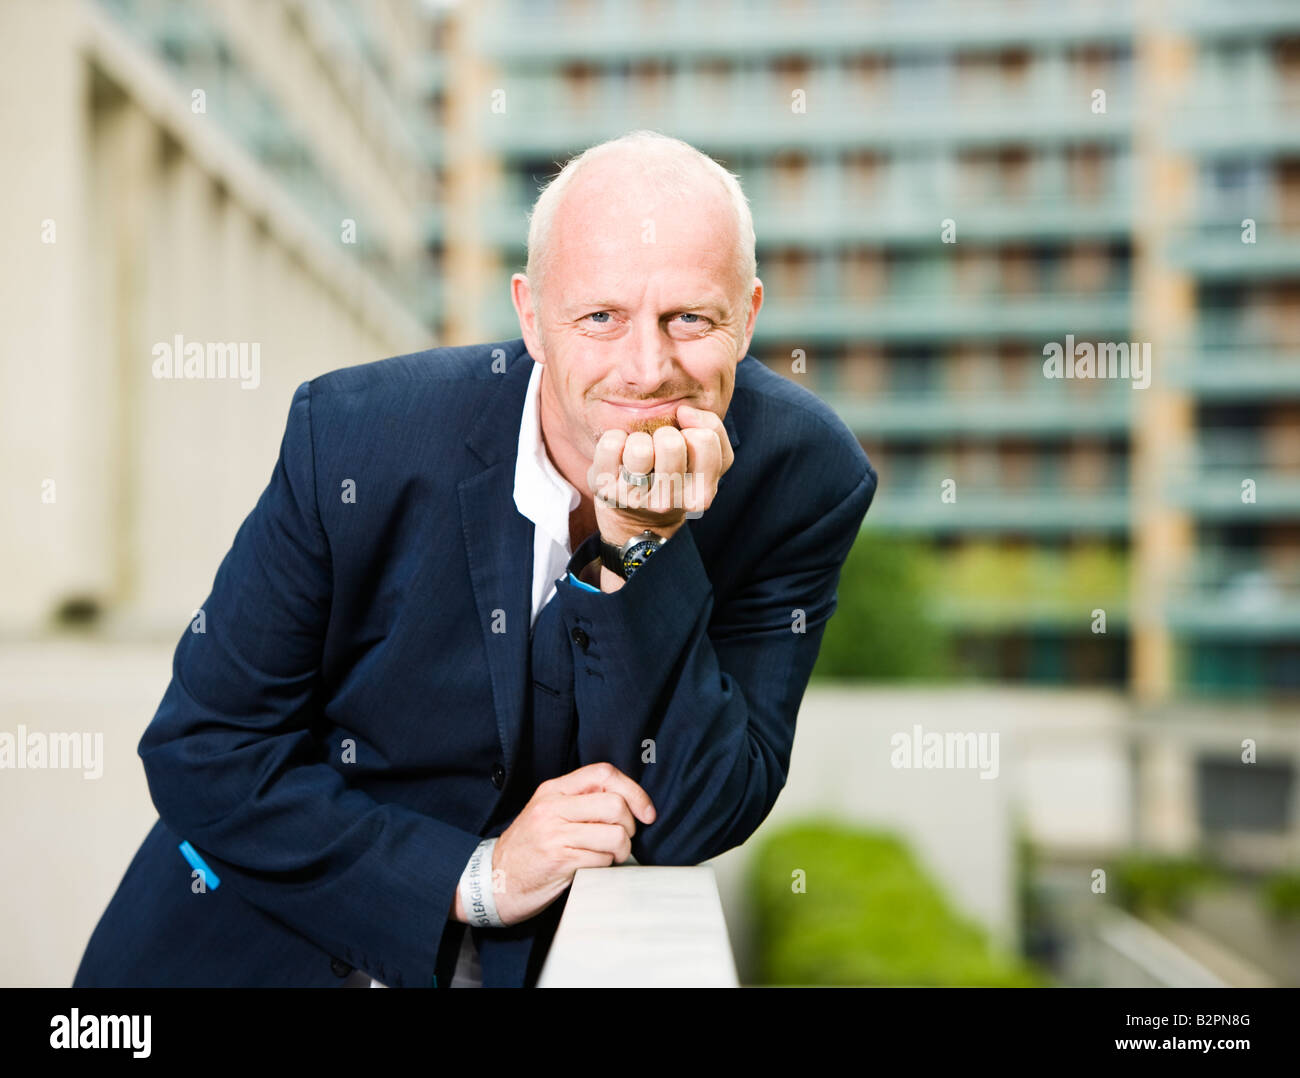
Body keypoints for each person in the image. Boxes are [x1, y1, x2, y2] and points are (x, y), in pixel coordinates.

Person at [72, 129, 877, 988]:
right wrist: (477, 878)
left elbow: (698, 813)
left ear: (747, 317)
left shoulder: (804, 476)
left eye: (690, 318)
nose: (648, 369)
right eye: (600, 317)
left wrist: (640, 549)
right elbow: (204, 746)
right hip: (242, 953)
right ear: (531, 316)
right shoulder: (354, 435)